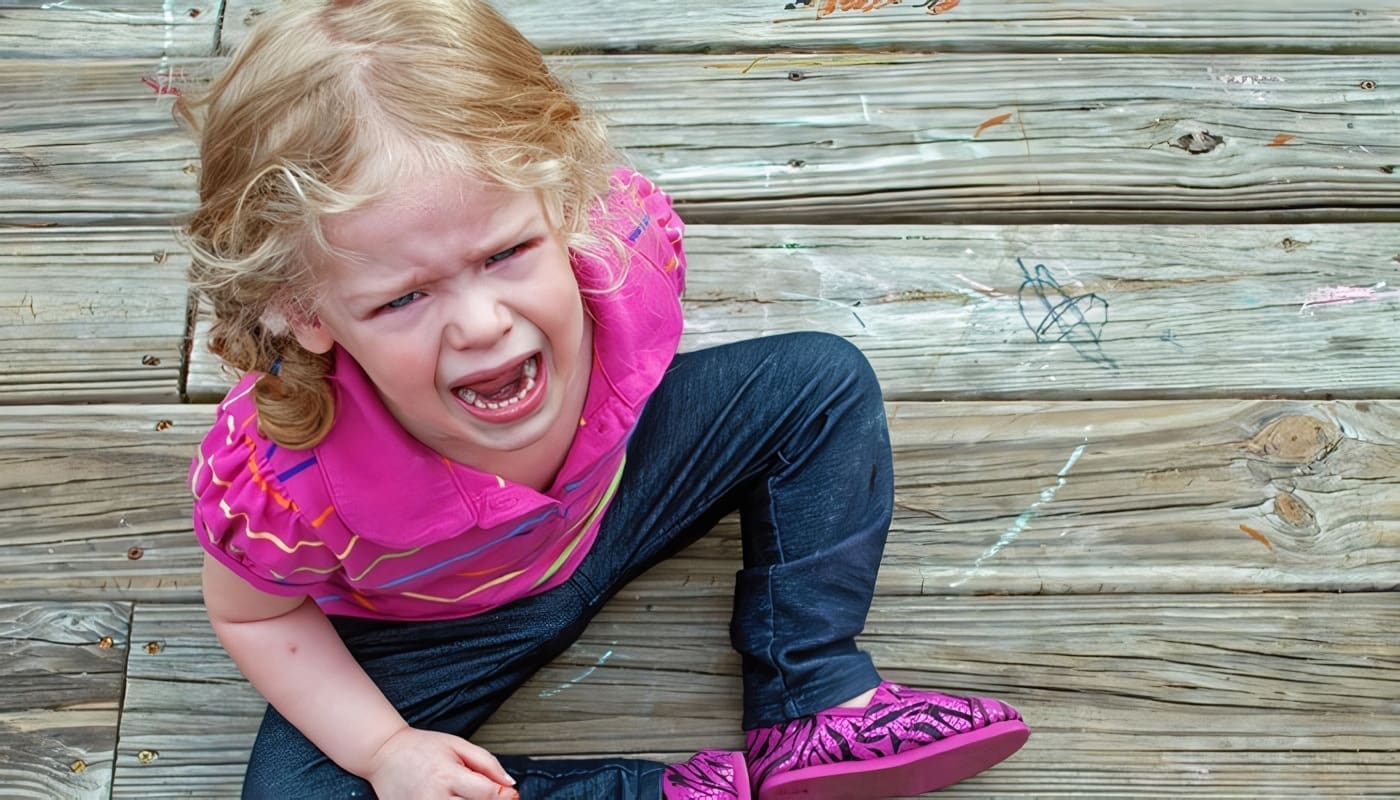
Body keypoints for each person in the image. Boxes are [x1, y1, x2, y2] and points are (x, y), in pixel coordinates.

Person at [177, 1, 1029, 798]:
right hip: (431, 624)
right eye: (403, 298)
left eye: (507, 253)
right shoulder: (284, 478)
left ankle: (812, 695)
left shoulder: (627, 261)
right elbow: (256, 618)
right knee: (296, 790)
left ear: (564, 200)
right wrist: (386, 749)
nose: (482, 324)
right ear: (304, 311)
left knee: (818, 382)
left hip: (615, 497)